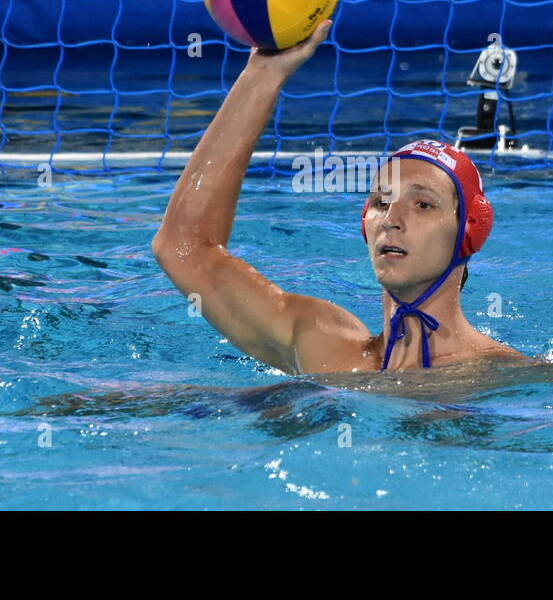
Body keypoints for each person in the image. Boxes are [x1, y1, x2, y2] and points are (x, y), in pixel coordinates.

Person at [152, 19, 527, 374]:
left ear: (471, 231)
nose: (391, 220)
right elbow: (182, 248)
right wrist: (263, 74)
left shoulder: (507, 375)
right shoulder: (321, 344)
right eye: (381, 202)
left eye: (423, 204)